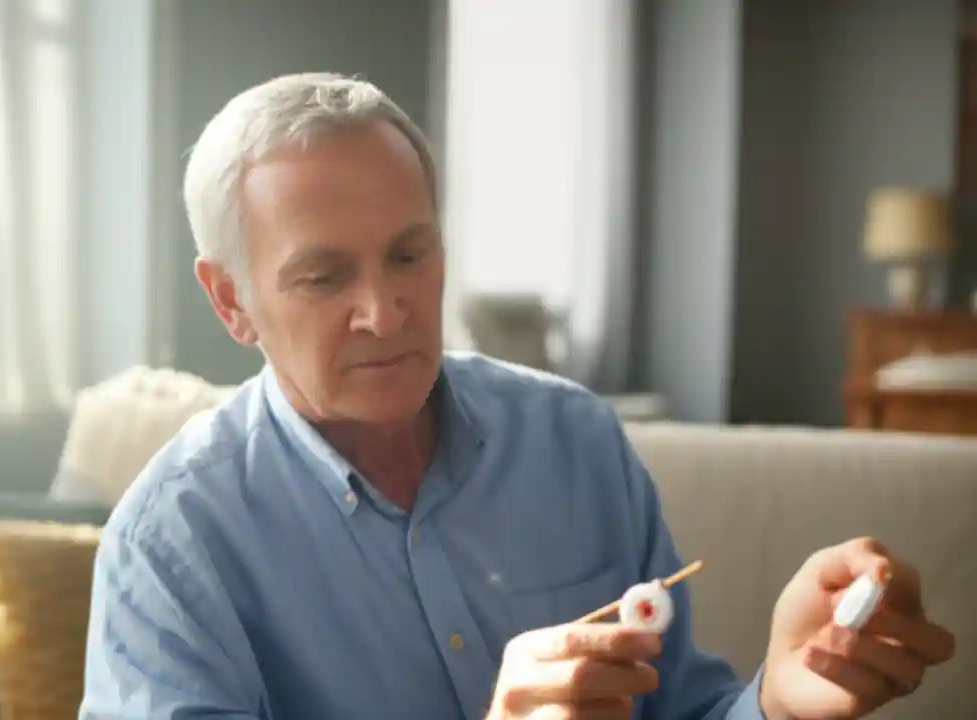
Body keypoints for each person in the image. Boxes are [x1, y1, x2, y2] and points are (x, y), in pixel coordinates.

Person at [79, 73, 954, 720]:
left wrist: (778, 701)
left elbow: (679, 711)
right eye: (322, 276)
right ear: (232, 300)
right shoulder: (173, 541)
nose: (384, 312)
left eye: (410, 255)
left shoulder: (572, 440)